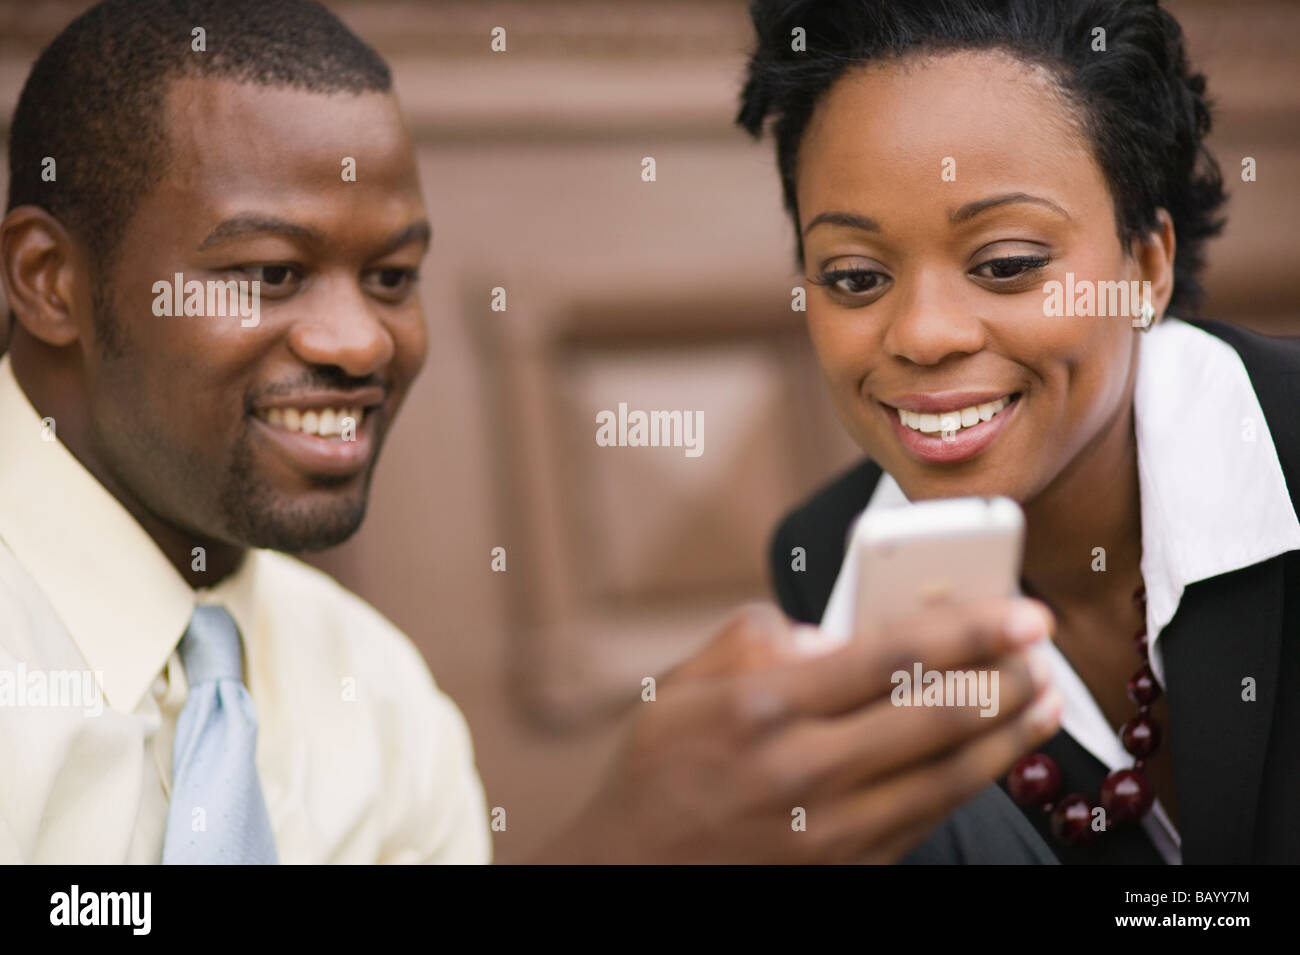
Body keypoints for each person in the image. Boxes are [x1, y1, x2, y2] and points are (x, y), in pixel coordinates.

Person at [0, 0, 1058, 864]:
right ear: (52, 283)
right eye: (270, 272)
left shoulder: (371, 690)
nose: (360, 342)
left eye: (392, 279)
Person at [739, 0, 1300, 863]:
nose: (924, 334)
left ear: (1145, 265)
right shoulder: (836, 576)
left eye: (1006, 265)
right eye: (855, 277)